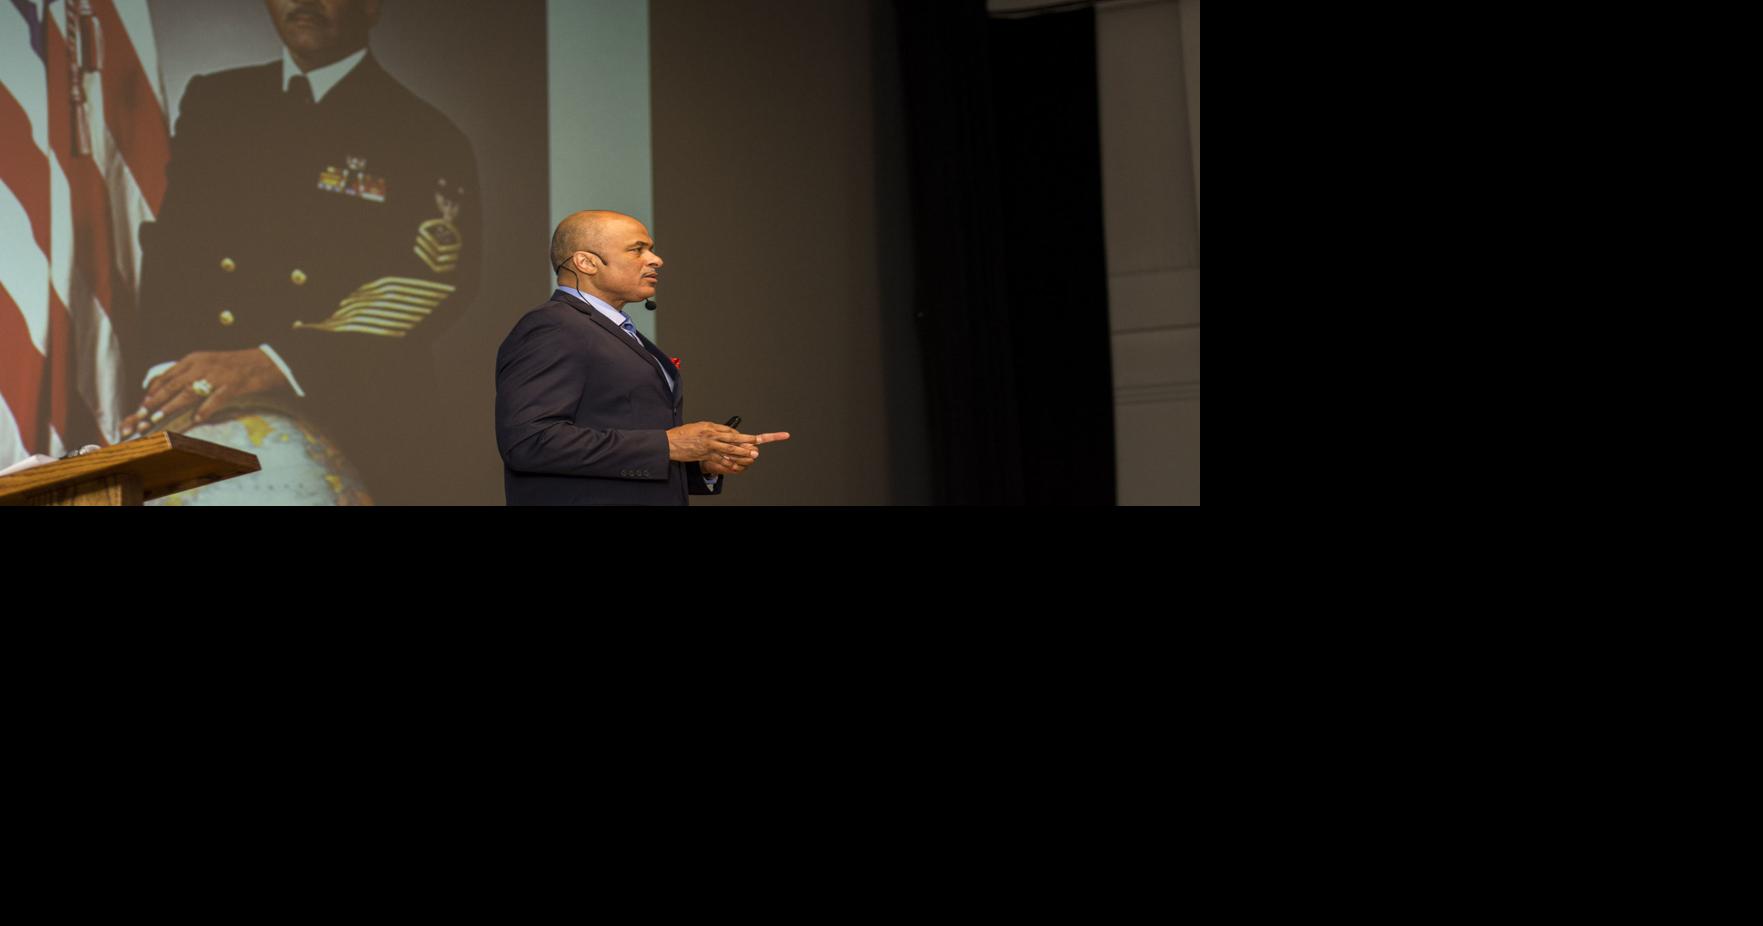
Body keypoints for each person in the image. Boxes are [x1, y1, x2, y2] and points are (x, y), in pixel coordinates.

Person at [120, 0, 479, 504]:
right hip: (204, 414)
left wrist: (276, 361)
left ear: (372, 7)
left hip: (358, 418)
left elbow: (423, 285)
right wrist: (167, 378)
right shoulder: (216, 100)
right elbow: (173, 247)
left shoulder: (427, 135)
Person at [495, 210, 788, 505]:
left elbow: (622, 442)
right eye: (637, 249)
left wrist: (700, 464)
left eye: (650, 249)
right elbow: (529, 442)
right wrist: (668, 444)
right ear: (586, 262)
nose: (655, 259)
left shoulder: (612, 329)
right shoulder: (554, 326)